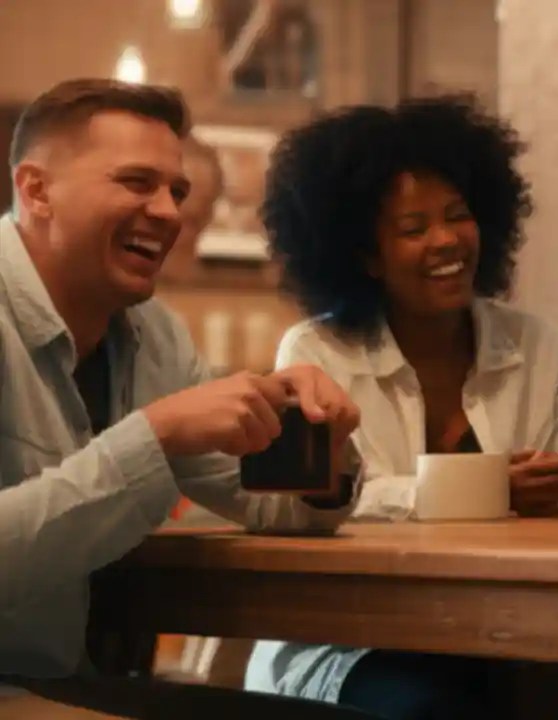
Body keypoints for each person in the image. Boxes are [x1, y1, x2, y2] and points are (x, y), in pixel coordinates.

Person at [243, 95, 558, 719]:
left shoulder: (537, 345)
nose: (446, 240)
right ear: (365, 256)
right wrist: (485, 489)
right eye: (413, 228)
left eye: (458, 216)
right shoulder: (315, 351)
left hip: (508, 637)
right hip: (353, 641)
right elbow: (321, 503)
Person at [0, 79, 363, 715]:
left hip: (63, 681)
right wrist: (155, 435)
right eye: (136, 182)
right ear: (36, 191)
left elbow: (261, 501)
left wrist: (313, 450)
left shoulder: (154, 335)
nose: (169, 212)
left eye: (177, 191)